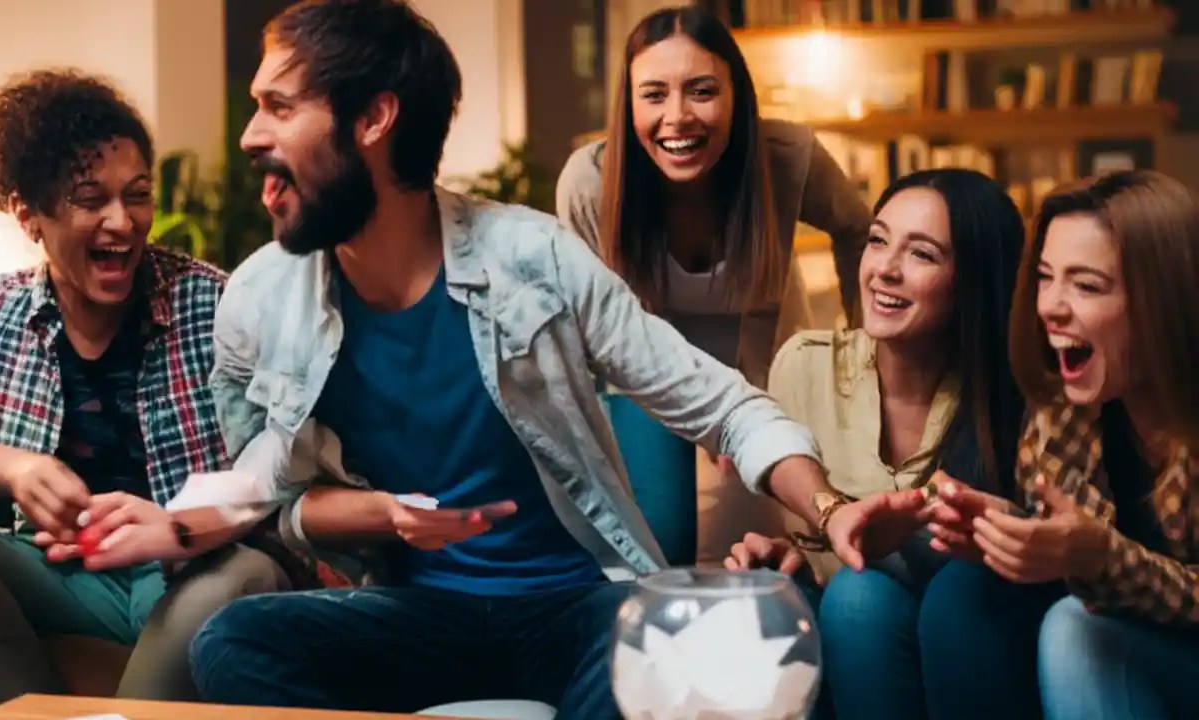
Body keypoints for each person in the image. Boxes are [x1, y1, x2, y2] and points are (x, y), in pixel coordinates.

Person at [181, 1, 837, 716]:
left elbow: (725, 405)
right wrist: (376, 513)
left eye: (277, 106)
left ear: (372, 120)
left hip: (574, 607)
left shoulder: (534, 258)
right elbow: (272, 502)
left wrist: (832, 513)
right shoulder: (257, 301)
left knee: (709, 650)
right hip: (416, 615)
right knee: (232, 641)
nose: (251, 136)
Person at [0, 69, 290, 713]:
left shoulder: (214, 301)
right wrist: (17, 467)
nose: (122, 221)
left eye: (137, 194)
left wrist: (177, 529)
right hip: (65, 573)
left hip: (195, 563)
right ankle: (23, 705)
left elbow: (286, 455)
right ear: (28, 214)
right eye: (90, 199)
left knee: (250, 574)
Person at [727, 169, 1059, 719]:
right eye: (878, 240)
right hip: (861, 623)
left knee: (957, 591)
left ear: (973, 279)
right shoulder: (805, 367)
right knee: (859, 598)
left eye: (923, 255)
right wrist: (791, 556)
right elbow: (808, 542)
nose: (885, 268)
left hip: (982, 631)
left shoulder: (1022, 393)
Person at [556, 5, 871, 566]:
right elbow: (587, 332)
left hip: (765, 370)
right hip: (646, 376)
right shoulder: (589, 183)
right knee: (661, 544)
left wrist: (865, 355)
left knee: (772, 540)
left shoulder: (789, 157)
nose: (677, 117)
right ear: (628, 104)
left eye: (701, 91)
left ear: (736, 97)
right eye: (653, 95)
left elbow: (857, 228)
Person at [955, 170, 1199, 720]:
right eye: (1045, 278)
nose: (1051, 308)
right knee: (961, 592)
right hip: (1138, 655)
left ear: (1166, 301)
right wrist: (1010, 529)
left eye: (1086, 285)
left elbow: (1099, 560)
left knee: (1074, 630)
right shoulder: (1065, 412)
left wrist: (1104, 557)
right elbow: (1074, 543)